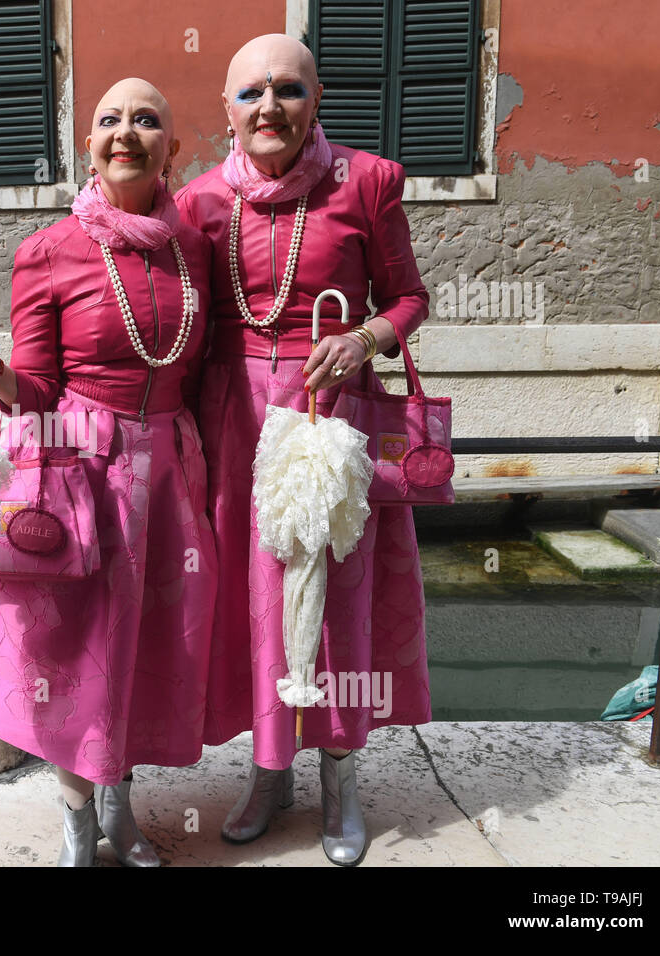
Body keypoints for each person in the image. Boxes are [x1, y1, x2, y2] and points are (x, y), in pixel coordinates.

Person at [0, 78, 223, 867]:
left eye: (147, 119)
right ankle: (79, 828)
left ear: (170, 149)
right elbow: (39, 393)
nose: (127, 132)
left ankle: (121, 813)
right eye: (109, 120)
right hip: (85, 470)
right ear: (89, 145)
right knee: (79, 659)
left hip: (171, 475)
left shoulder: (194, 250)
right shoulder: (47, 252)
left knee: (150, 651)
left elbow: (205, 367)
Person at [175, 34, 433, 866]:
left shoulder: (367, 181)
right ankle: (267, 771)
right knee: (252, 605)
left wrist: (364, 338)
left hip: (331, 420)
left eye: (287, 90)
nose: (269, 108)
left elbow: (408, 297)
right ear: (227, 111)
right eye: (249, 94)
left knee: (338, 607)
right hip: (236, 426)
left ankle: (342, 783)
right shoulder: (199, 202)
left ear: (316, 97)